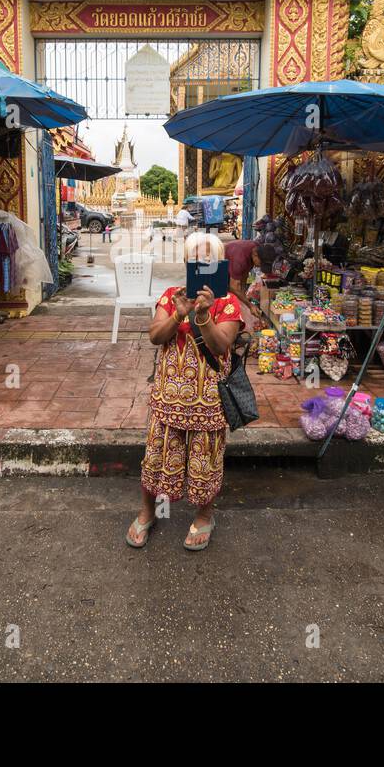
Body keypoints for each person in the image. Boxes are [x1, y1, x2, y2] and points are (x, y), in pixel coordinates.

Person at [127, 234, 242, 551]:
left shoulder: (228, 302)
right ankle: (148, 511)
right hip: (168, 398)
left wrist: (202, 315)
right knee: (157, 454)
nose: (201, 263)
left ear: (219, 263)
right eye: (195, 259)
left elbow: (221, 346)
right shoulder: (170, 296)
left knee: (205, 459)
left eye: (209, 258)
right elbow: (154, 336)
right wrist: (179, 313)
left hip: (208, 400)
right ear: (187, 264)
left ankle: (205, 516)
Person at [223, 239, 278, 328]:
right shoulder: (240, 258)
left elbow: (244, 275)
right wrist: (249, 305)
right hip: (216, 267)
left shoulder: (256, 247)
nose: (260, 267)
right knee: (225, 300)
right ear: (255, 255)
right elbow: (233, 287)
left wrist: (244, 297)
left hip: (230, 266)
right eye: (261, 264)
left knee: (239, 301)